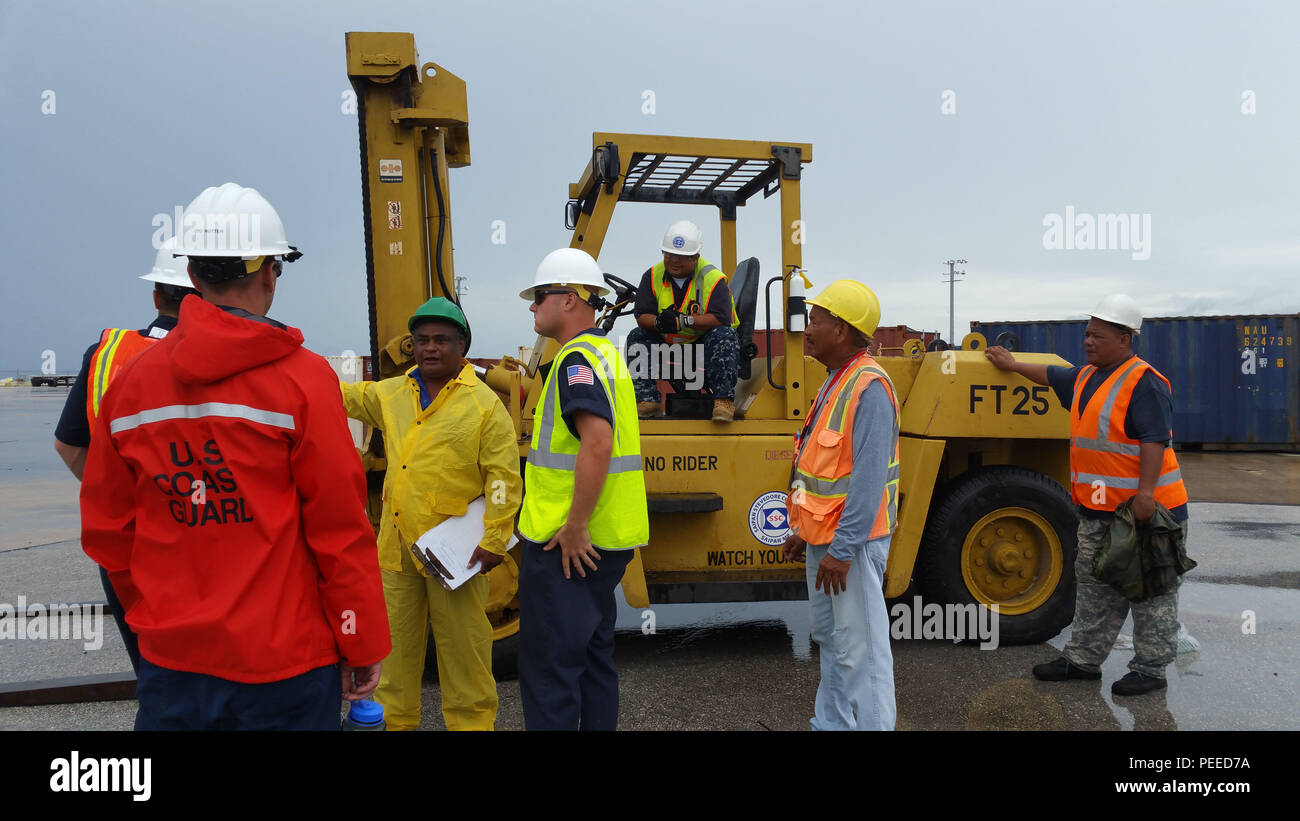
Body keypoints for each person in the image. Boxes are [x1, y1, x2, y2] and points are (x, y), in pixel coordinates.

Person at [80, 182, 390, 729]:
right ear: (270, 273)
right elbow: (340, 532)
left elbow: (108, 531)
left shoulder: (130, 384)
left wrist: (156, 615)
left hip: (172, 664)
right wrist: (359, 640)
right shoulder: (304, 380)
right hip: (286, 665)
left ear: (193, 275)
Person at [985, 294, 1189, 696]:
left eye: (1097, 335)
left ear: (1125, 339)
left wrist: (1146, 496)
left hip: (1145, 512)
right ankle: (1082, 660)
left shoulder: (1144, 382)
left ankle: (1151, 669)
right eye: (1087, 334)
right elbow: (1047, 375)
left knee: (1149, 590)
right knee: (1094, 586)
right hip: (1098, 511)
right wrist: (1012, 365)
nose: (1088, 341)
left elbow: (1154, 442)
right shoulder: (1085, 377)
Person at [339, 297, 522, 731]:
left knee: (465, 654)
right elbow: (339, 396)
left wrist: (496, 538)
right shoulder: (391, 393)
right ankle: (395, 724)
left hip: (455, 556)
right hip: (398, 551)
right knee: (394, 653)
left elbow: (502, 477)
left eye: (441, 340)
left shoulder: (483, 405)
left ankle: (472, 724)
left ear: (462, 346)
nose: (430, 348)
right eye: (422, 340)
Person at [516, 247, 649, 730]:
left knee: (550, 673)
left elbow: (597, 442)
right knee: (593, 664)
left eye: (539, 296)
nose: (532, 306)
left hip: (568, 547)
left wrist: (573, 527)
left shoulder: (576, 360)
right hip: (606, 542)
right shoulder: (606, 354)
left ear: (570, 299)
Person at [54, 239, 197, 674]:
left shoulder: (106, 354)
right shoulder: (226, 354)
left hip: (128, 543)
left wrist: (117, 496)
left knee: (153, 671)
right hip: (205, 534)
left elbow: (68, 446)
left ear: (156, 295)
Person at [781, 279, 900, 731]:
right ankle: (831, 725)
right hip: (827, 543)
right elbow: (823, 472)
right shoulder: (838, 379)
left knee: (861, 654)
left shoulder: (868, 387)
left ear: (845, 331)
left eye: (816, 320)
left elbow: (867, 482)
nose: (807, 329)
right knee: (831, 642)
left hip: (852, 547)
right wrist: (804, 531)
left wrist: (842, 550)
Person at [626, 220, 740, 422]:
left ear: (696, 257)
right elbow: (642, 315)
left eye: (681, 256)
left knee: (725, 336)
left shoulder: (713, 279)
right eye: (668, 254)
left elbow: (721, 318)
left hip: (702, 348)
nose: (673, 261)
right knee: (637, 336)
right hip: (667, 346)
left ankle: (723, 401)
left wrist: (684, 321)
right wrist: (659, 323)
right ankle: (647, 400)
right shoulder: (652, 276)